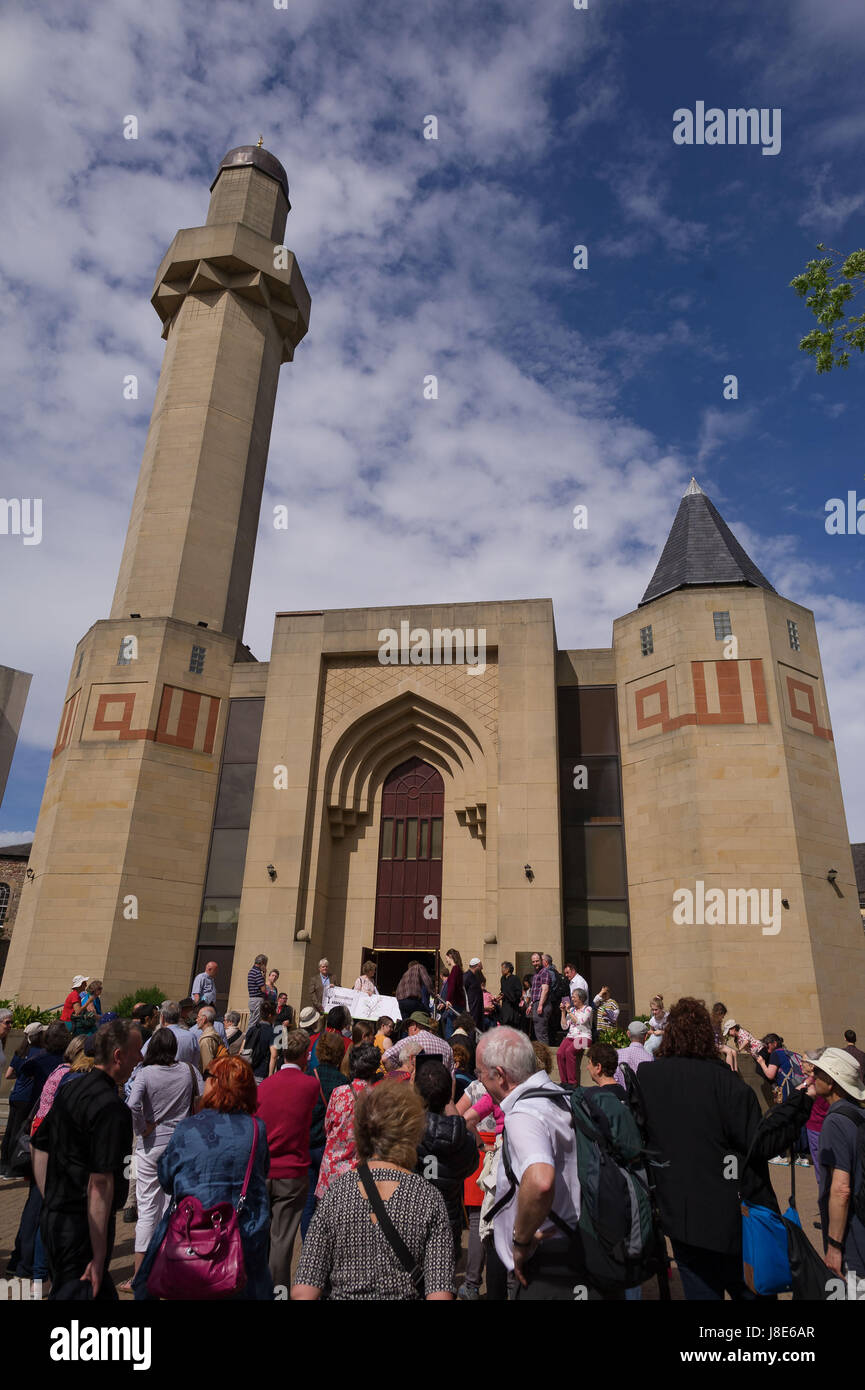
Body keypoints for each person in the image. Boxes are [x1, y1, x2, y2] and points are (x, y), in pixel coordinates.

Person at [636, 996, 760, 1301]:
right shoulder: (732, 1085)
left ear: (671, 1033)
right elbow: (751, 1153)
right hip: (731, 1213)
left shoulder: (649, 1077)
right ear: (708, 1034)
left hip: (680, 1212)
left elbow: (642, 1140)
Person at [293, 1081, 455, 1300]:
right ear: (412, 1131)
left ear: (361, 1131)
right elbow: (440, 1294)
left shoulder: (336, 1194)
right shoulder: (428, 1197)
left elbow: (304, 1291)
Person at [134, 1054, 272, 1301]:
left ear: (216, 1084)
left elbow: (166, 1178)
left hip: (193, 1233)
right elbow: (263, 1172)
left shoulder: (188, 1127)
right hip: (242, 1236)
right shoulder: (256, 1128)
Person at [32, 1019, 141, 1298]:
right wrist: (100, 1250)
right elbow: (100, 1183)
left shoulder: (71, 1088)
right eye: (136, 1051)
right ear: (118, 1056)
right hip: (82, 1227)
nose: (140, 1058)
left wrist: (52, 1198)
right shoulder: (112, 1109)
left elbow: (39, 1145)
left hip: (58, 1218)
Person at [478, 1027, 583, 1299]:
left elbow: (540, 1180)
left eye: (479, 1074)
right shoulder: (557, 1094)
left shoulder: (524, 1114)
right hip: (575, 1245)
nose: (479, 1082)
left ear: (499, 1075)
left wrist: (521, 1241)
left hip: (548, 1259)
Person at [125, 1025, 203, 1290]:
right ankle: (167, 1271)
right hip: (180, 1143)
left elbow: (132, 1104)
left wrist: (142, 1128)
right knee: (173, 1206)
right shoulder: (189, 1070)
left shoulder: (145, 1073)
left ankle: (140, 1276)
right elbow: (203, 1099)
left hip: (150, 1145)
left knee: (147, 1208)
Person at [256, 1028, 319, 1289]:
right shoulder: (310, 1084)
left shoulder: (265, 1086)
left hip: (265, 1171)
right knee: (282, 1242)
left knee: (263, 1238)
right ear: (306, 1054)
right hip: (292, 1173)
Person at [810, 1047, 865, 1277]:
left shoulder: (834, 1122)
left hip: (853, 1240)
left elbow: (841, 1189)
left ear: (831, 1082)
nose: (813, 1076)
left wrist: (834, 1246)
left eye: (819, 1072)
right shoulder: (858, 1114)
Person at [415, 1059, 478, 1254]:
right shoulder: (462, 1138)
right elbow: (472, 1165)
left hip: (412, 1220)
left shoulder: (407, 1134)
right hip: (447, 1223)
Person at [315, 1043, 381, 1199]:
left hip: (331, 1171)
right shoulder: (379, 1098)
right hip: (362, 1174)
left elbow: (327, 1126)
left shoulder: (339, 1093)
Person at [302, 1030, 349, 1238]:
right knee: (329, 1200)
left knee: (308, 1202)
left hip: (308, 1144)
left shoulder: (307, 1078)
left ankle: (308, 1245)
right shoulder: (343, 1082)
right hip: (329, 1148)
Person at [381, 1011, 454, 1075]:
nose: (408, 1033)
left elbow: (385, 1057)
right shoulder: (446, 1045)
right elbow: (452, 1078)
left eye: (407, 1029)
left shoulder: (409, 1041)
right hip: (440, 1089)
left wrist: (402, 1072)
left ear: (414, 1026)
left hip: (413, 1088)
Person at [141, 1000, 201, 1069]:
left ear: (162, 1018)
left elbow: (142, 1059)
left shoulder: (157, 1036)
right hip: (184, 1078)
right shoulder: (191, 1037)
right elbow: (195, 1063)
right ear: (179, 1017)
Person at [557, 987, 592, 1086]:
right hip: (571, 1036)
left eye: (574, 997)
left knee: (569, 1051)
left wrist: (568, 1011)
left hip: (584, 1037)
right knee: (560, 1054)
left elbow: (580, 1022)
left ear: (580, 998)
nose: (572, 999)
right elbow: (564, 1027)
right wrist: (563, 1012)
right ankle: (564, 1082)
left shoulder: (588, 1009)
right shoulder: (572, 1009)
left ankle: (572, 1083)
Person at [614, 1020, 654, 1086]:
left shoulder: (617, 1054)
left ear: (628, 1034)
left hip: (620, 1094)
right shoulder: (649, 1058)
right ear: (646, 1036)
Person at [247, 999, 279, 1082]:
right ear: (270, 1015)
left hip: (247, 1071)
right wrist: (270, 1075)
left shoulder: (252, 1029)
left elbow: (242, 1049)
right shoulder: (273, 1032)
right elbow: (274, 1055)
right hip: (261, 1073)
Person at [439, 949, 466, 1038]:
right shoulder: (458, 969)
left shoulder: (455, 969)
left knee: (449, 1029)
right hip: (458, 1003)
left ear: (450, 956)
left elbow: (452, 986)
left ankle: (450, 1048)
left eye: (446, 958)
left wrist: (448, 1000)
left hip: (455, 1004)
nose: (446, 960)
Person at [528, 951, 552, 1044]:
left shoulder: (544, 972)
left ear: (541, 961)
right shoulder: (536, 974)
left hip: (542, 1004)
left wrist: (540, 1005)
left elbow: (545, 989)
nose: (535, 964)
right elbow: (535, 991)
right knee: (538, 1031)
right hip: (536, 1003)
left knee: (541, 1033)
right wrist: (531, 1004)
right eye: (533, 962)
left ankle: (545, 1056)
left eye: (537, 961)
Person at [195, 1006, 226, 1076]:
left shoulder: (206, 1040)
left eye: (198, 1017)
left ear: (204, 1019)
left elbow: (208, 1067)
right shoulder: (214, 1033)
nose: (196, 1020)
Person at [498, 961, 522, 1028]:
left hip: (513, 1007)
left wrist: (510, 996)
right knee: (505, 1026)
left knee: (513, 1026)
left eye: (502, 968)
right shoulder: (502, 979)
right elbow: (502, 991)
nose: (501, 970)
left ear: (508, 969)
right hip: (505, 1006)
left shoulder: (515, 979)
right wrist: (499, 997)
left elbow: (519, 993)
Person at [247, 953, 268, 1028]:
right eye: (265, 964)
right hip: (257, 999)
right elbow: (263, 989)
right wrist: (264, 974)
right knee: (255, 1022)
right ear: (262, 963)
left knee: (252, 1020)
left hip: (252, 999)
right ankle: (249, 1038)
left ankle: (249, 1037)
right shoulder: (257, 973)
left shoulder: (251, 971)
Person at [464, 957, 485, 1030]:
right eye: (481, 967)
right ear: (477, 966)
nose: (482, 969)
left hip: (477, 1010)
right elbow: (463, 991)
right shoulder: (467, 976)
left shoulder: (475, 976)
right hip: (471, 1009)